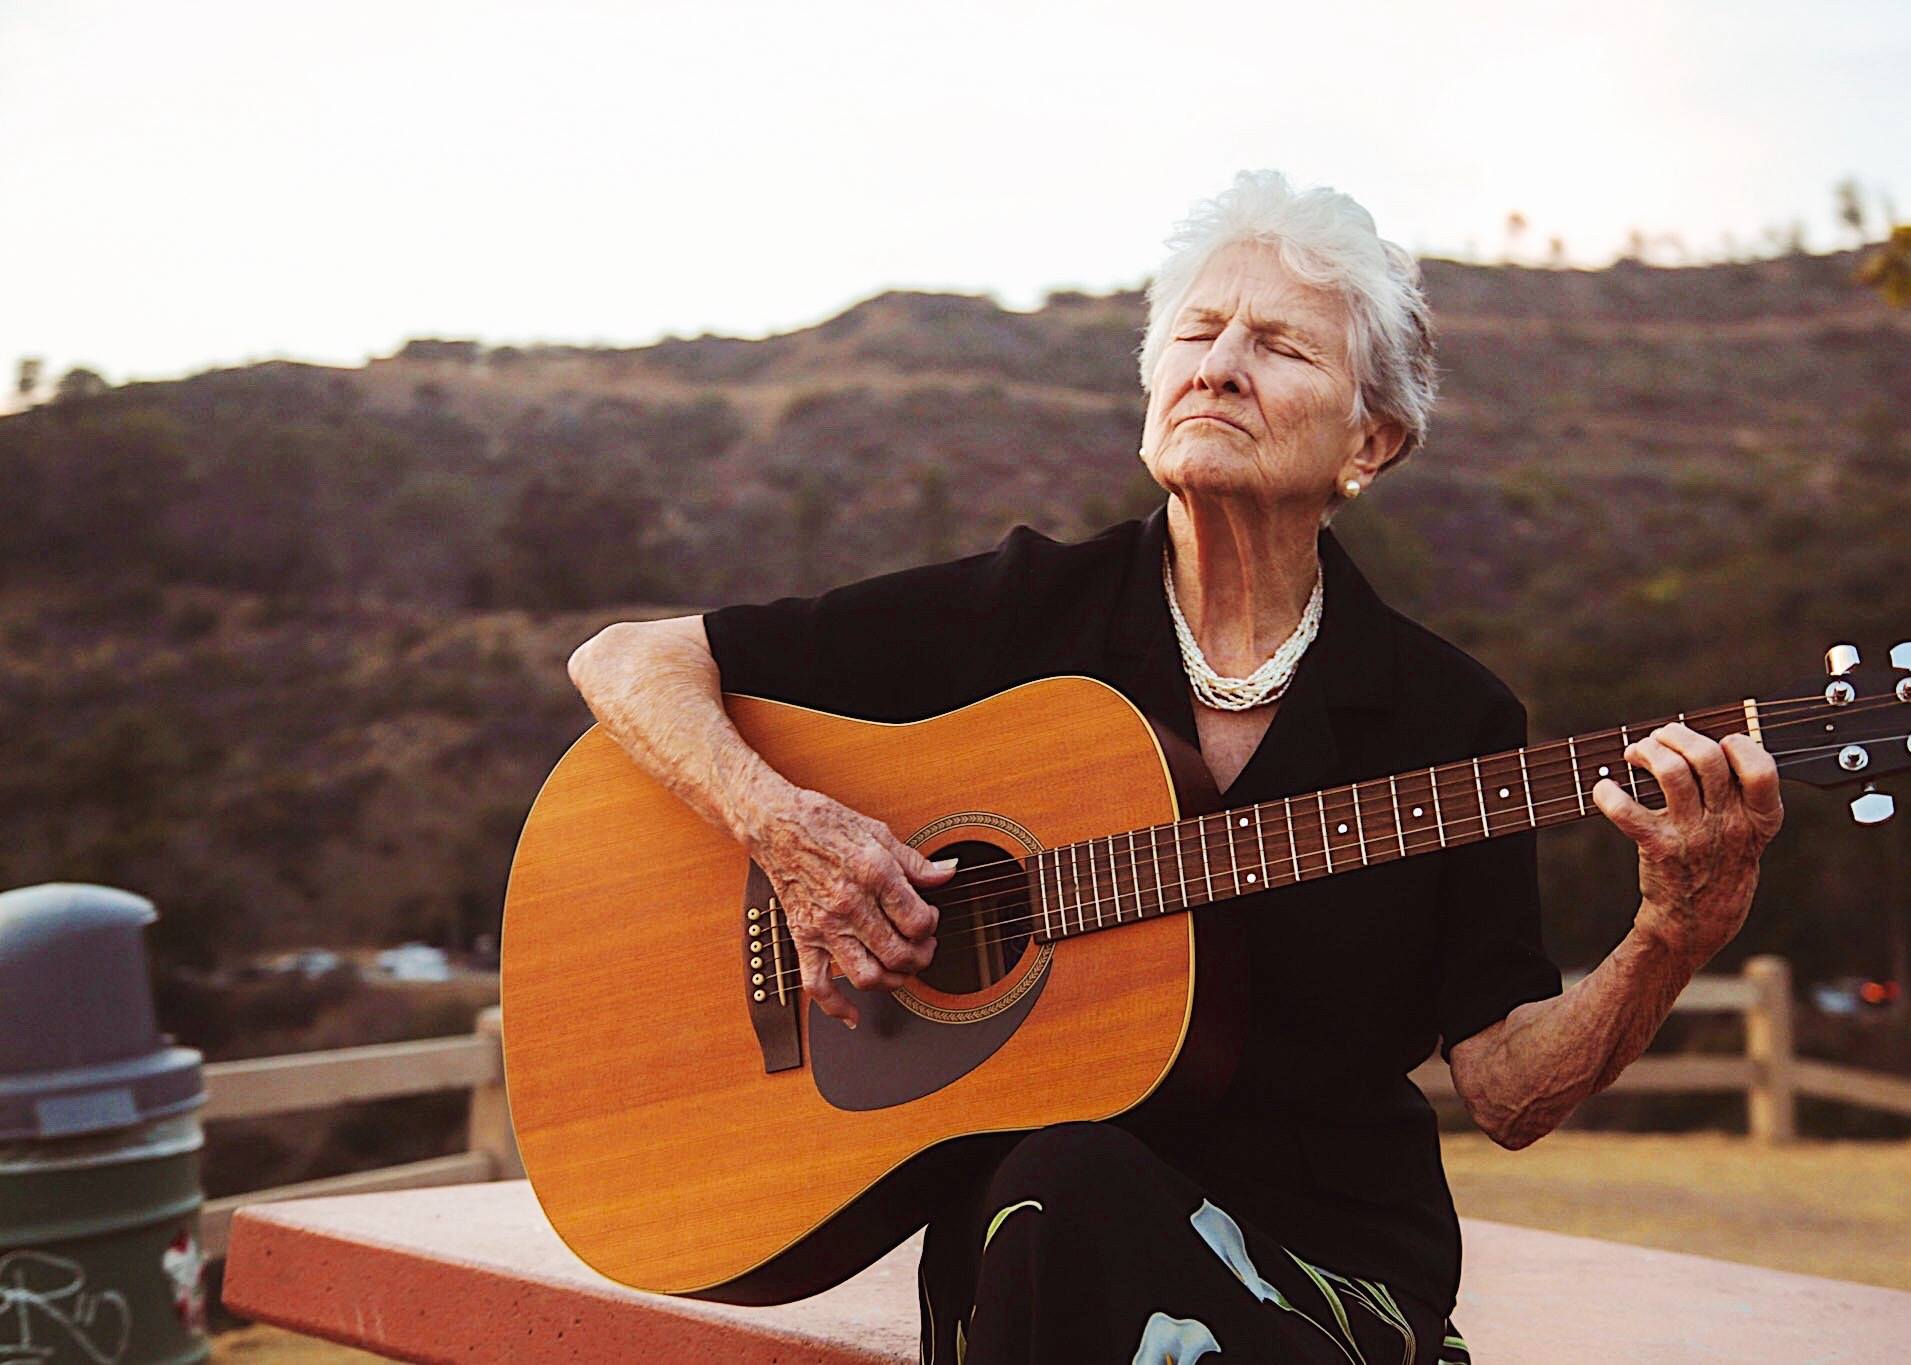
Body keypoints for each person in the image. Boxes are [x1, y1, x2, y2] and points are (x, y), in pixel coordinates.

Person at [566, 169, 1785, 1365]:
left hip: (1314, 1271)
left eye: (1279, 346)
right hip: (1029, 1252)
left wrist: (1669, 937)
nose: (1217, 365)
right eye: (1195, 332)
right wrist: (784, 829)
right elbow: (629, 661)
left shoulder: (1445, 716)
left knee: (1064, 1184)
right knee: (1054, 1181)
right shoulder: (1024, 614)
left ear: (1369, 439)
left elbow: (1508, 1090)